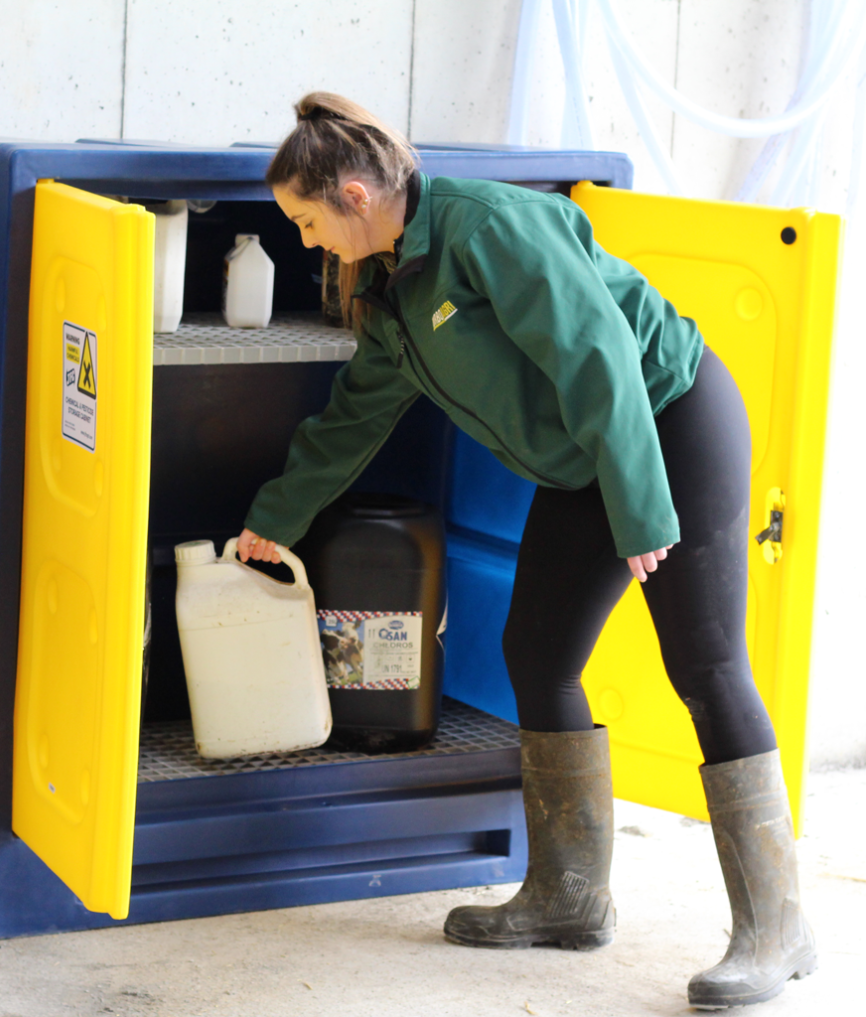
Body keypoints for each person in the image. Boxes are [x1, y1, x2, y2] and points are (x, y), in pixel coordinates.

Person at [236, 92, 815, 1009]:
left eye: (307, 222)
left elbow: (600, 357)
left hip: (667, 419)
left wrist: (641, 510)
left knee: (704, 663)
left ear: (352, 193)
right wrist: (279, 515)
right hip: (592, 455)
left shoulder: (488, 228)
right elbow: (358, 414)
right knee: (537, 655)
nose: (308, 240)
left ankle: (778, 929)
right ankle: (568, 898)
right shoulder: (391, 285)